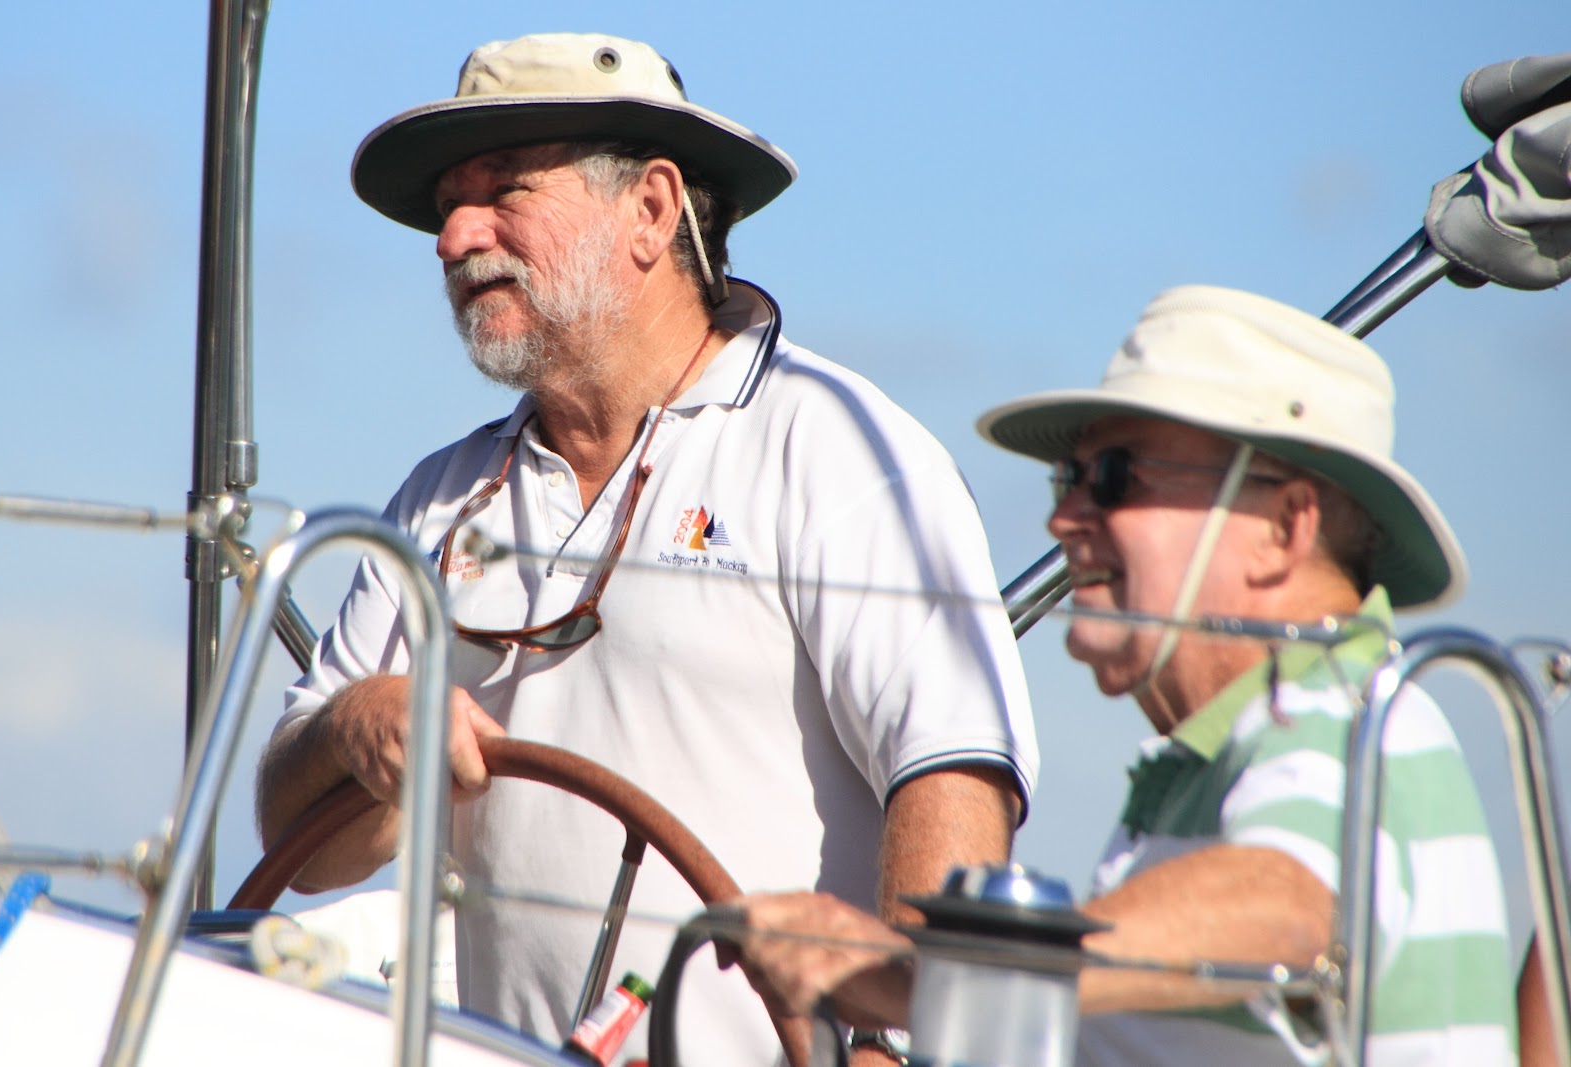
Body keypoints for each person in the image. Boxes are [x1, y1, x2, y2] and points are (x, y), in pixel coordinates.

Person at [254, 30, 1038, 1066]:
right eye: (447, 205)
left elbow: (950, 773)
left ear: (652, 210)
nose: (452, 238)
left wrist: (889, 1040)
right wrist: (357, 725)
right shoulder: (439, 497)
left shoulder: (832, 444)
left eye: (501, 191)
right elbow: (296, 844)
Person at [731, 285, 1517, 1064]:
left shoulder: (1351, 712)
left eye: (1113, 476)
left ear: (1282, 528)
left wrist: (933, 978)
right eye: (1064, 479)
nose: (1063, 517)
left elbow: (1284, 901)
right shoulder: (1246, 751)